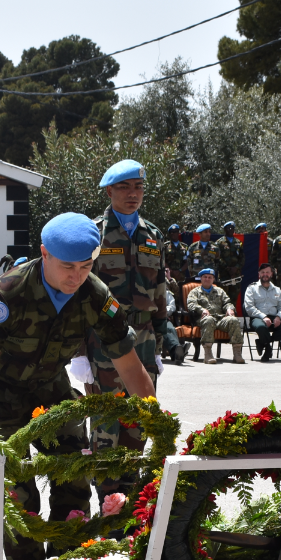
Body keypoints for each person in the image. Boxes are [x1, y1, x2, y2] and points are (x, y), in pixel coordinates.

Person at [0, 212, 155, 560]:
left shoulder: (95, 294)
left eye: (86, 266)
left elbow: (129, 365)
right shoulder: (7, 293)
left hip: (50, 388)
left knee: (75, 476)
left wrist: (156, 420)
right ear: (45, 253)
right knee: (16, 494)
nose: (76, 277)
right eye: (68, 266)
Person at [90, 159, 174, 468]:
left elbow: (160, 288)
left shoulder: (153, 234)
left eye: (138, 187)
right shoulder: (95, 233)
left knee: (141, 414)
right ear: (109, 191)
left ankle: (129, 482)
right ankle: (105, 486)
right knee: (106, 415)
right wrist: (79, 353)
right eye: (124, 187)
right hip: (104, 339)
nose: (132, 193)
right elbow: (80, 291)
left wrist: (162, 337)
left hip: (144, 337)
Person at [187, 268, 245, 364]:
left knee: (233, 320)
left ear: (213, 279)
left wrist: (229, 308)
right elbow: (191, 304)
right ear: (201, 278)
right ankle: (208, 354)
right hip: (204, 319)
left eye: (210, 277)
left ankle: (237, 354)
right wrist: (202, 310)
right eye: (205, 277)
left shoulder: (220, 291)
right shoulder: (195, 292)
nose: (207, 279)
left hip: (220, 319)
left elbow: (227, 302)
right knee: (208, 320)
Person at [243, 263, 281, 361]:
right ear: (259, 274)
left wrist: (278, 316)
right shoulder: (251, 288)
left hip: (274, 317)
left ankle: (262, 342)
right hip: (257, 318)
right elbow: (249, 307)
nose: (265, 274)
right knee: (261, 327)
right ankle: (268, 348)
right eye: (263, 272)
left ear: (271, 274)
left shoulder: (277, 289)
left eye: (267, 272)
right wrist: (263, 317)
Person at [215, 220, 245, 297]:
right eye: (228, 228)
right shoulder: (219, 242)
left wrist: (236, 268)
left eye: (232, 228)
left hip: (235, 275)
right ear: (225, 229)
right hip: (224, 274)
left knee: (234, 297)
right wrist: (228, 268)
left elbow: (242, 258)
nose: (230, 230)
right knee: (222, 297)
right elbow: (217, 257)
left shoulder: (238, 242)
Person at [163, 223, 188, 306]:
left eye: (175, 231)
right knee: (169, 294)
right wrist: (170, 271)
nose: (173, 234)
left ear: (178, 233)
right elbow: (162, 260)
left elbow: (187, 262)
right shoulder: (165, 246)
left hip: (181, 275)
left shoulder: (184, 246)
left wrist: (179, 270)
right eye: (171, 232)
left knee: (181, 295)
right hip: (168, 275)